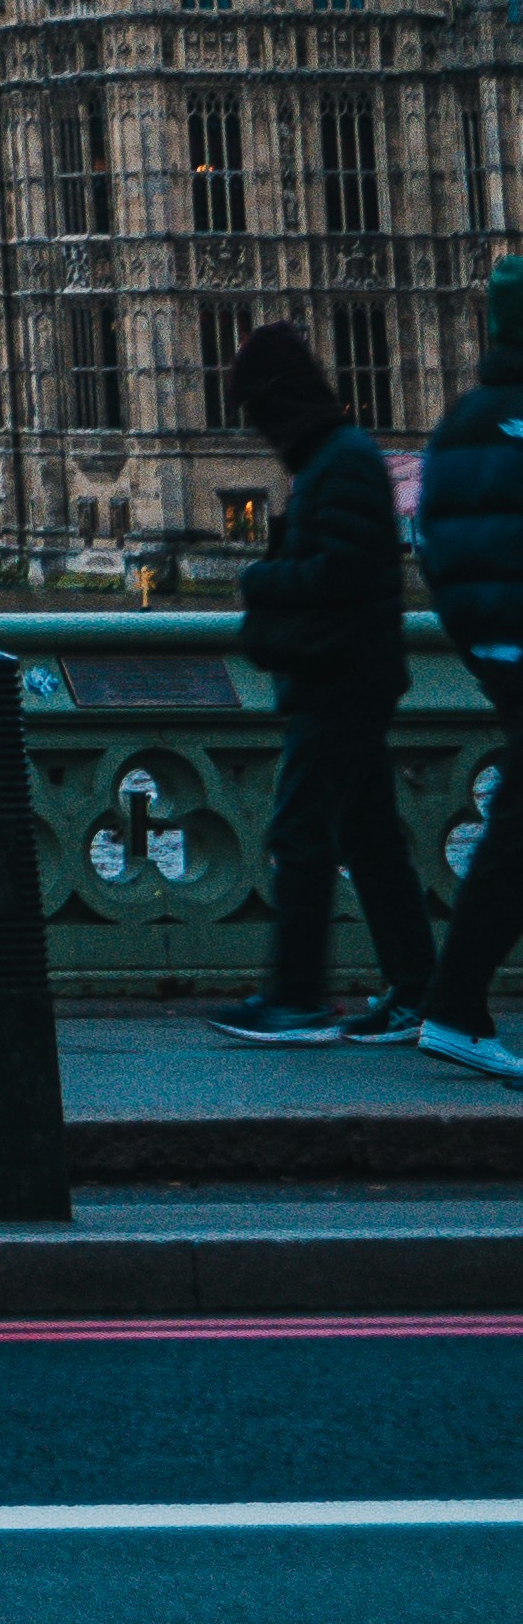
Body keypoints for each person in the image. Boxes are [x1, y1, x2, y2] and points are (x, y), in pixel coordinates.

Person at [223, 313, 436, 1042]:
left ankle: (295, 998)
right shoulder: (332, 458)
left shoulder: (337, 463)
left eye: (257, 412)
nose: (257, 431)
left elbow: (344, 573)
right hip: (349, 673)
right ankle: (417, 991)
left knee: (299, 832)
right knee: (370, 840)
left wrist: (264, 579)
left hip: (341, 678)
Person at [415, 255, 523, 1094]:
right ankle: (453, 1008)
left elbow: (433, 546)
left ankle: (454, 1006)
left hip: (499, 658)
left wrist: (484, 646)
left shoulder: (460, 423)